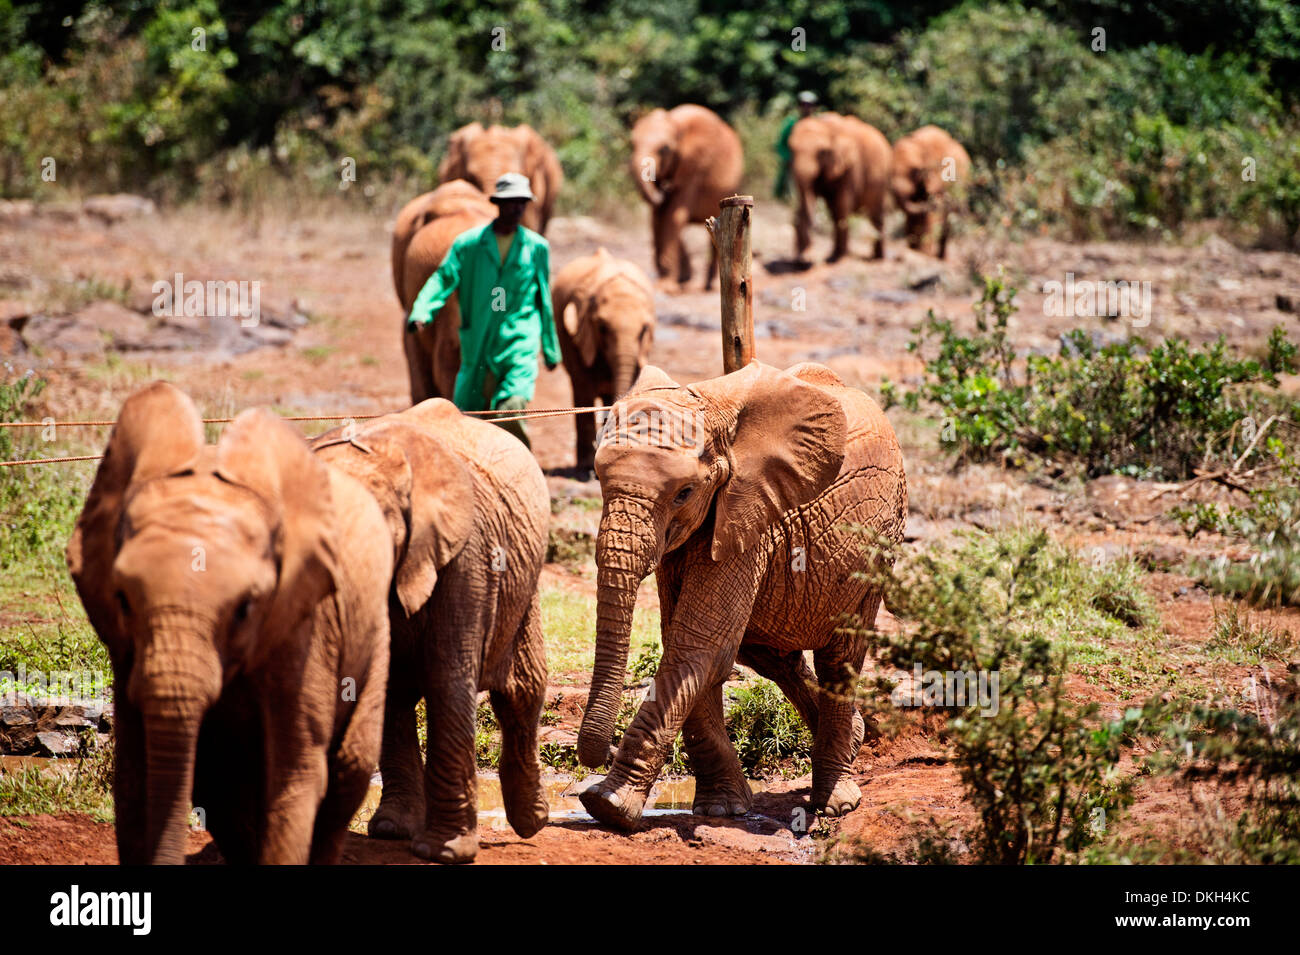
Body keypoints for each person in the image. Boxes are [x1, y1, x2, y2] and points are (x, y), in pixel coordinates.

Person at [406, 172, 560, 449]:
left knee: (512, 406)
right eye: (510, 202)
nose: (517, 209)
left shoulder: (537, 248)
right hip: (477, 342)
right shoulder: (469, 245)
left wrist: (550, 348)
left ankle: (514, 466)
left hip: (519, 341)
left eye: (521, 203)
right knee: (467, 417)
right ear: (497, 204)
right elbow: (443, 278)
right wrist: (421, 310)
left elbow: (544, 299)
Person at [774, 90, 820, 199]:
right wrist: (789, 158)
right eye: (803, 104)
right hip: (794, 162)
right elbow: (781, 144)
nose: (806, 108)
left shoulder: (818, 124)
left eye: (809, 105)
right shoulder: (791, 123)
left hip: (814, 164)